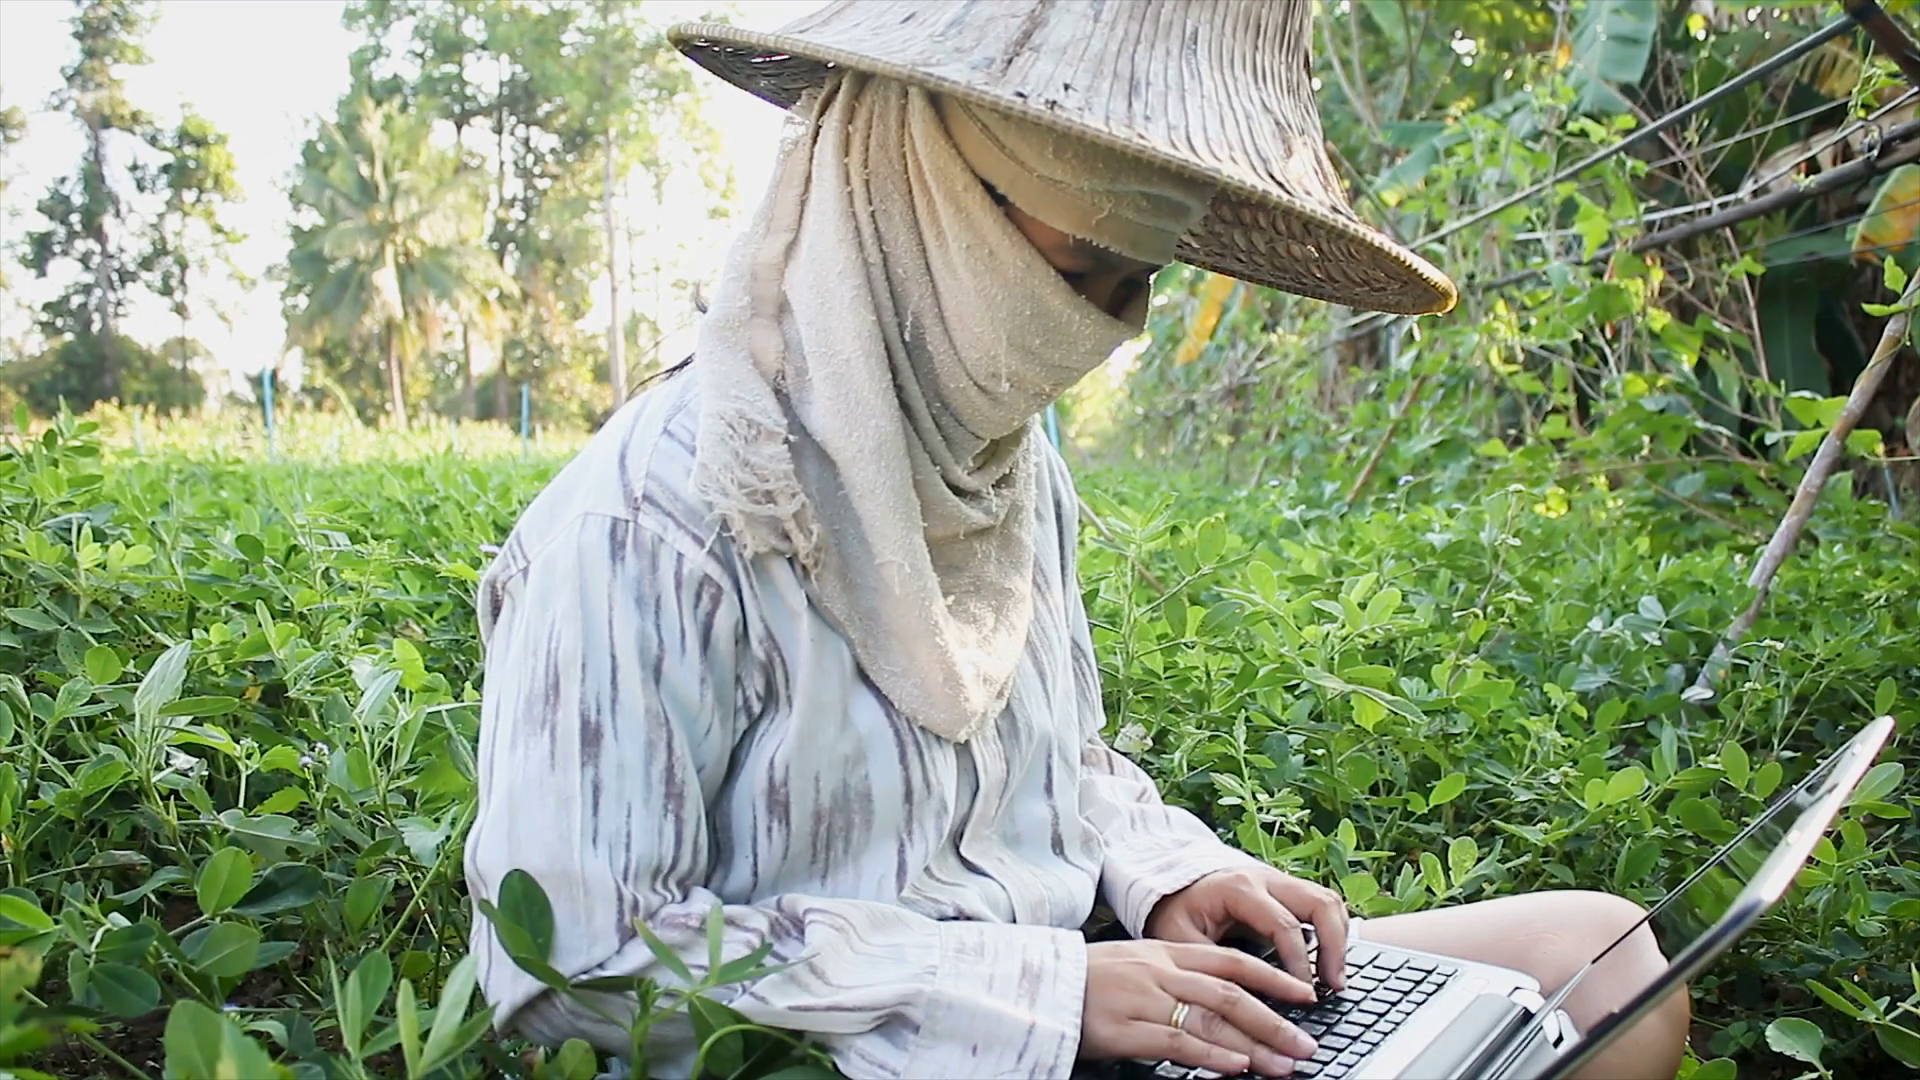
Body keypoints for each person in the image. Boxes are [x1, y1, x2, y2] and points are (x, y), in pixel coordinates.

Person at [463, 2, 1692, 1078]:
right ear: (915, 191)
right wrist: (1045, 1001)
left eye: (1130, 289)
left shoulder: (1003, 460)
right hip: (899, 1047)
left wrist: (1173, 877)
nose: (1094, 330)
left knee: (1598, 958)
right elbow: (574, 963)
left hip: (1094, 980)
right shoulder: (653, 518)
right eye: (1074, 268)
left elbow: (1066, 770)